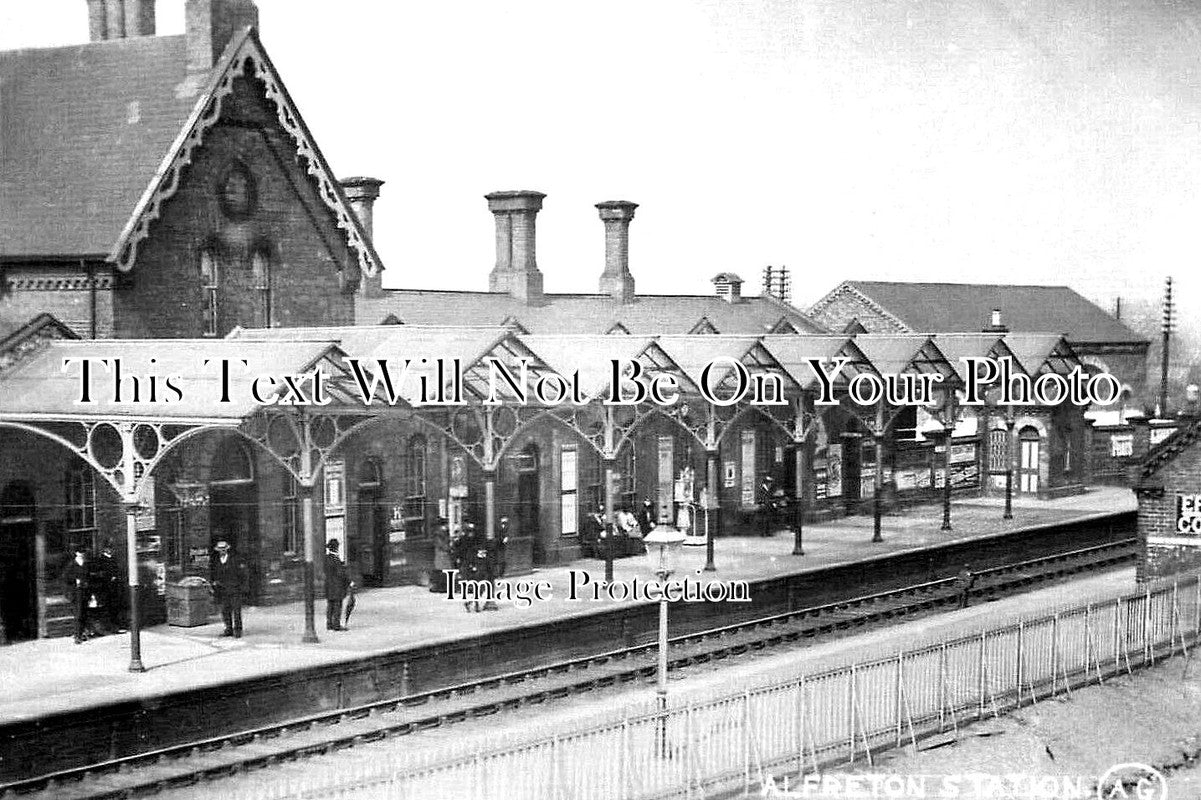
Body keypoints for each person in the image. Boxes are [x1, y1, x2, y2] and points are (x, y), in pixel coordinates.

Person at [209, 539, 246, 638]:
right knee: (225, 610)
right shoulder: (216, 561)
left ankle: (237, 630)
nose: (222, 551)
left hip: (234, 588)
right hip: (223, 589)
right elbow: (214, 573)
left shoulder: (234, 560)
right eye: (220, 550)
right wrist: (215, 583)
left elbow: (242, 574)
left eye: (224, 549)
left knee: (236, 610)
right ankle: (228, 628)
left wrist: (240, 586)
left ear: (227, 550)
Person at [61, 546, 91, 644]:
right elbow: (65, 578)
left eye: (83, 552)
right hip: (76, 592)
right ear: (76, 553)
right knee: (78, 614)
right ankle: (77, 635)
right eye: (80, 552)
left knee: (84, 613)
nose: (82, 554)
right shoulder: (71, 565)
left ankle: (83, 633)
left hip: (85, 591)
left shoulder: (86, 564)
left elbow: (89, 577)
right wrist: (75, 580)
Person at [92, 539, 122, 633]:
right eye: (108, 548)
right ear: (104, 549)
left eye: (111, 548)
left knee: (115, 607)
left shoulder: (114, 559)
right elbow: (98, 573)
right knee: (106, 607)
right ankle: (107, 627)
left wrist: (115, 577)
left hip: (114, 587)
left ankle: (115, 626)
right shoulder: (100, 560)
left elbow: (117, 571)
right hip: (105, 587)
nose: (110, 550)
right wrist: (108, 577)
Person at [324, 539, 351, 631]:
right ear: (336, 548)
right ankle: (336, 625)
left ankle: (329, 624)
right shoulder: (336, 559)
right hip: (337, 586)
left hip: (329, 585)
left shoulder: (327, 558)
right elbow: (340, 573)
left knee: (330, 606)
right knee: (337, 606)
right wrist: (349, 582)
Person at [430, 518, 451, 593]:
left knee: (442, 569)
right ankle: (441, 586)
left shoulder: (440, 532)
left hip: (442, 554)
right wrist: (448, 547)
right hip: (442, 554)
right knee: (442, 569)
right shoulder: (439, 533)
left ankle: (442, 586)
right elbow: (442, 544)